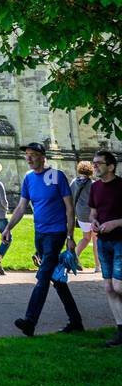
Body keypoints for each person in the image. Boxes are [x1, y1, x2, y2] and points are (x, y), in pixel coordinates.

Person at [5, 141, 82, 336]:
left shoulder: (57, 177)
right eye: (27, 154)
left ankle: (30, 321)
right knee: (57, 279)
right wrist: (8, 227)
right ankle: (76, 321)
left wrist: (70, 236)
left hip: (56, 233)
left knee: (43, 276)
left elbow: (69, 208)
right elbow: (22, 207)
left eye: (32, 154)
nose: (28, 158)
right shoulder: (29, 178)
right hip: (39, 234)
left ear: (43, 156)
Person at [90, 149, 122, 348]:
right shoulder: (95, 188)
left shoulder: (121, 186)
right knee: (109, 287)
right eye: (93, 163)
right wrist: (93, 222)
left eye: (98, 163)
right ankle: (120, 330)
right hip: (103, 241)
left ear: (110, 166)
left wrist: (116, 223)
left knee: (119, 286)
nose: (94, 166)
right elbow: (93, 212)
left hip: (120, 240)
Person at [72, 160, 96, 270]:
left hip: (80, 214)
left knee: (86, 238)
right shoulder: (94, 184)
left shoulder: (74, 182)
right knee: (96, 240)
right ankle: (98, 266)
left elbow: (70, 198)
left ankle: (75, 255)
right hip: (93, 215)